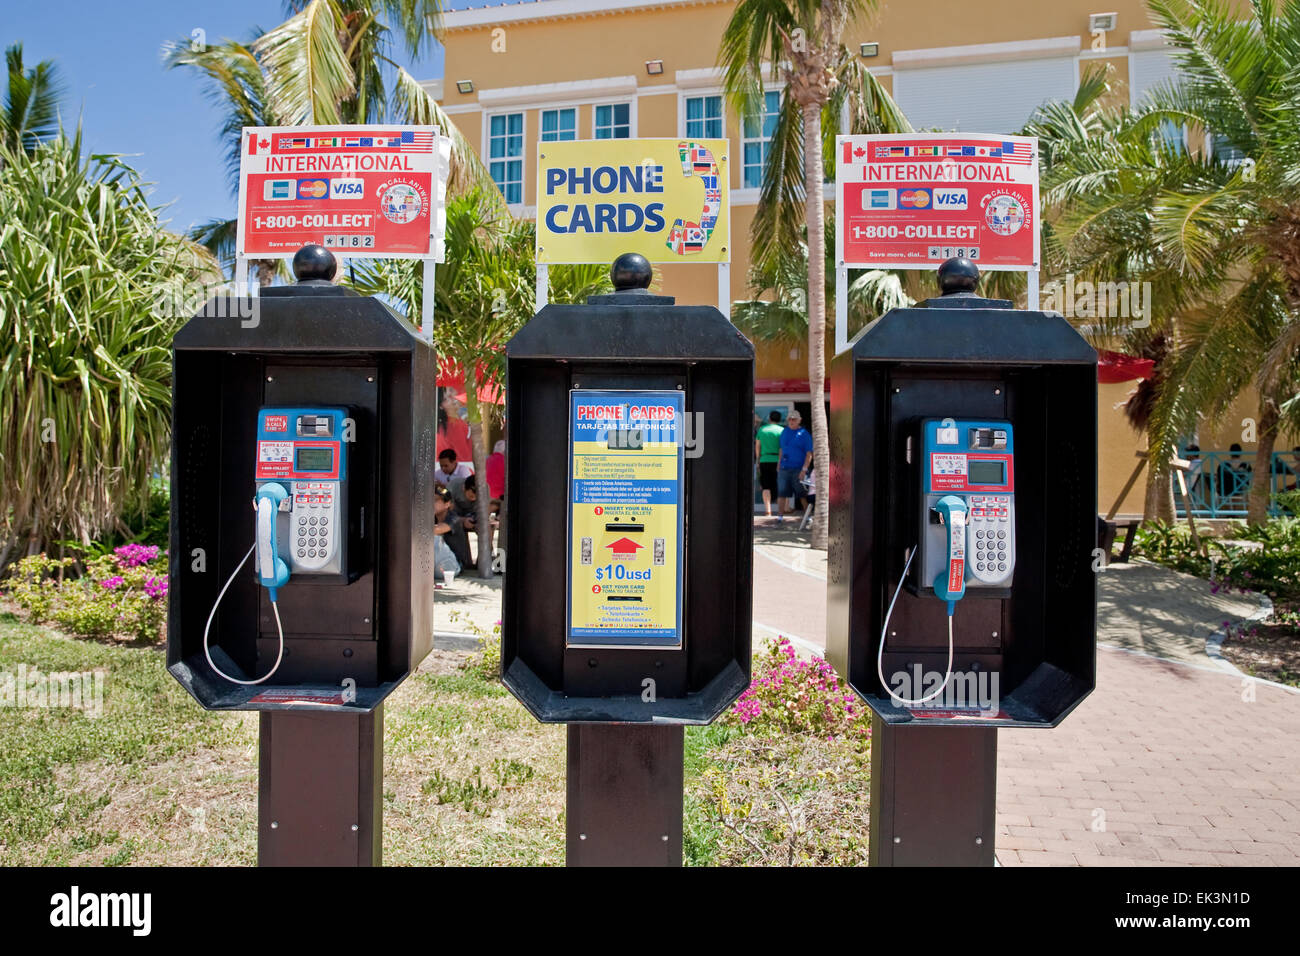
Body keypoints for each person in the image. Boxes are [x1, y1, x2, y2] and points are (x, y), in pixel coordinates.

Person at [776, 410, 813, 522]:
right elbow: (781, 449)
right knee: (782, 493)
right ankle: (780, 517)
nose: (791, 421)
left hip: (798, 469)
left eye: (794, 419)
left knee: (802, 494)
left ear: (799, 420)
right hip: (784, 468)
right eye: (790, 419)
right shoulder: (784, 432)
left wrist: (804, 470)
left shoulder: (804, 434)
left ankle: (808, 517)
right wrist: (778, 463)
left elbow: (809, 454)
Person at [435, 487, 473, 572]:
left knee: (434, 539)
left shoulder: (454, 518)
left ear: (447, 504)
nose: (431, 503)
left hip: (454, 565)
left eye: (435, 500)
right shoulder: (432, 518)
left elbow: (436, 530)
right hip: (438, 563)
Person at [754, 410, 783, 518]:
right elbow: (782, 448)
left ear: (770, 418)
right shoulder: (782, 430)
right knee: (780, 484)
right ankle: (783, 508)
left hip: (764, 460)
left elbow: (758, 446)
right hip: (777, 460)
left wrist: (758, 460)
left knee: (766, 486)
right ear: (779, 419)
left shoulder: (762, 430)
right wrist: (780, 461)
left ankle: (768, 511)